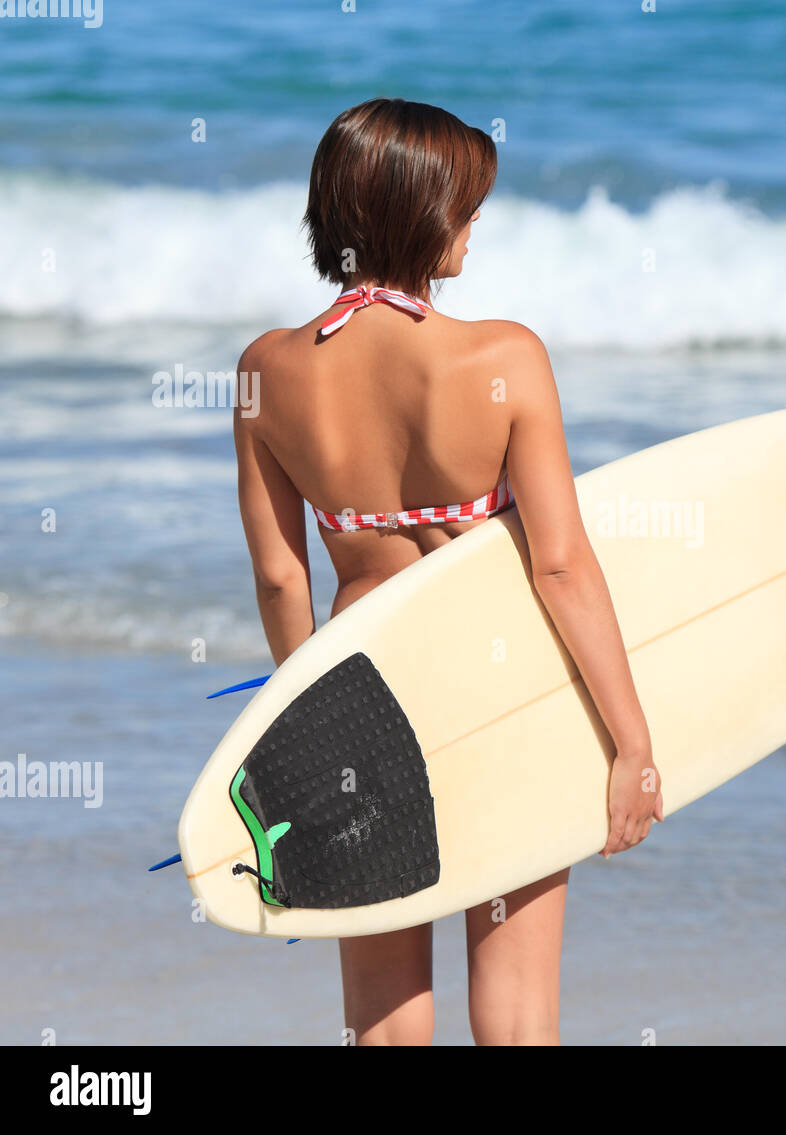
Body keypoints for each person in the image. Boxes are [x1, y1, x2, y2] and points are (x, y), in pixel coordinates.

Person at [232, 97, 663, 1046]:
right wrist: (632, 743)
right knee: (516, 1018)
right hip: (500, 686)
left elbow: (279, 579)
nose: (477, 224)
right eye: (467, 204)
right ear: (421, 213)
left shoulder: (265, 370)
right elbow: (559, 566)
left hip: (358, 696)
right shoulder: (503, 357)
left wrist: (301, 731)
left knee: (383, 1025)